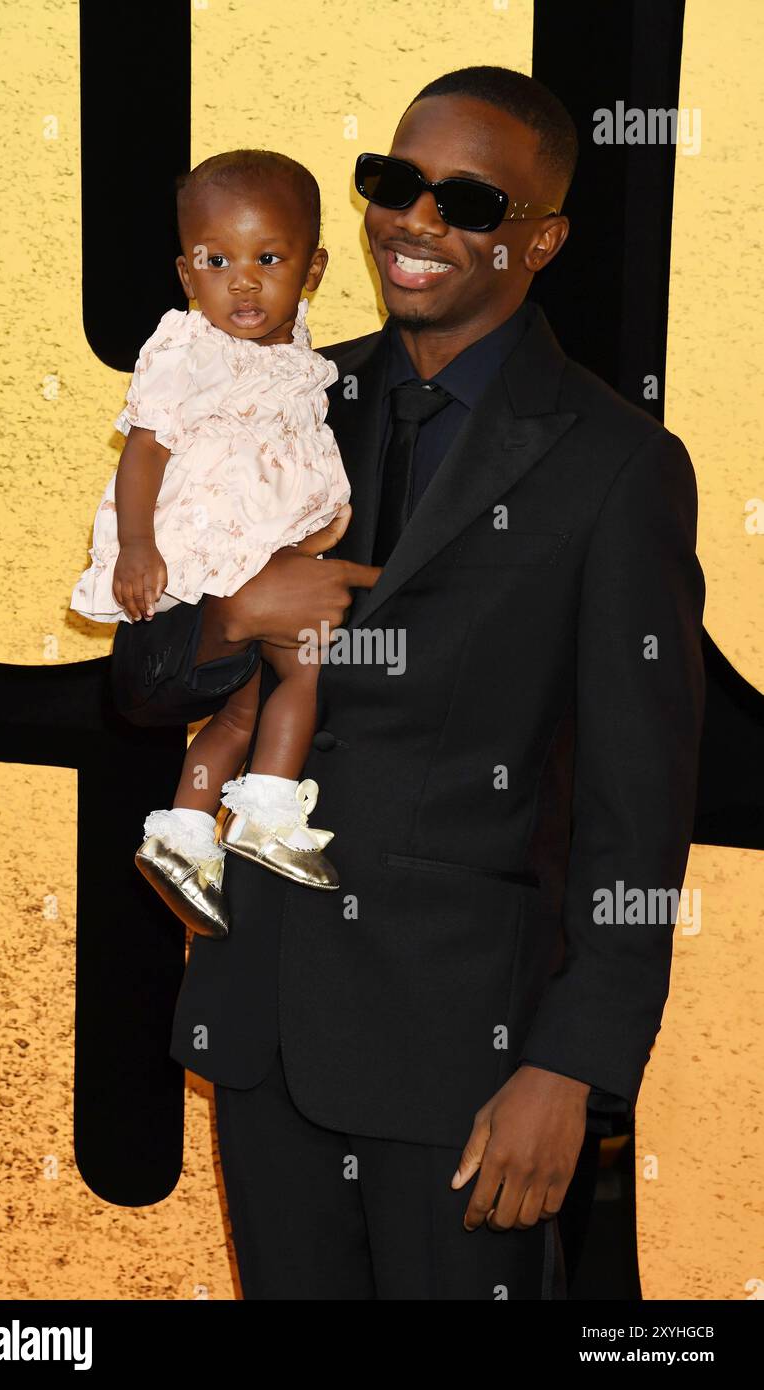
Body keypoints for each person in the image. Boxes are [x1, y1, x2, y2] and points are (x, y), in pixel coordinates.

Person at [110, 66, 706, 1300]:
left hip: (468, 1067)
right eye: (392, 184)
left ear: (539, 238)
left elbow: (635, 815)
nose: (415, 222)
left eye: (468, 200)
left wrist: (570, 1069)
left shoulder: (614, 464)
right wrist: (234, 614)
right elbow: (140, 679)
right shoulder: (277, 390)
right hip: (264, 1026)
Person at [71, 151, 355, 937]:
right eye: (216, 261)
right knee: (304, 662)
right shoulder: (186, 349)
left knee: (241, 708)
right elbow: (144, 452)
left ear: (313, 267)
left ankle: (184, 830)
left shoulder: (296, 355)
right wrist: (134, 547)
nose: (242, 281)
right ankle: (265, 805)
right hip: (204, 547)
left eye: (268, 259)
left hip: (265, 546)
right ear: (185, 271)